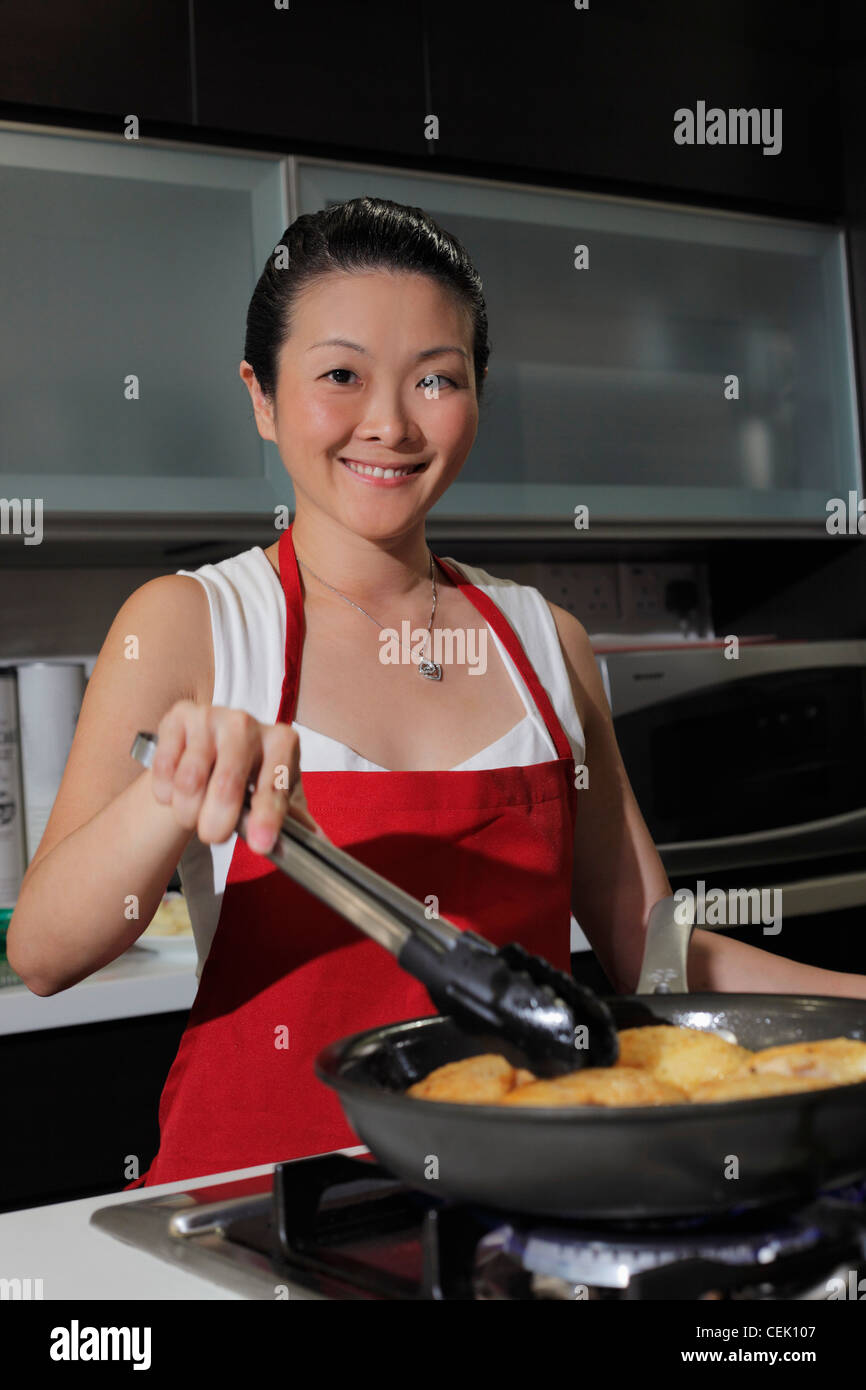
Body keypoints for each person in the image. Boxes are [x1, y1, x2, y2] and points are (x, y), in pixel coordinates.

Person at [8, 198, 866, 1188]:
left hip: (510, 1204)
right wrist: (170, 796)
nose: (389, 423)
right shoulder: (191, 622)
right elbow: (43, 952)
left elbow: (653, 958)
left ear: (476, 396)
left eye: (435, 380)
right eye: (339, 375)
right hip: (257, 1209)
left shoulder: (548, 645)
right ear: (261, 395)